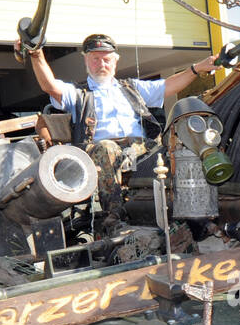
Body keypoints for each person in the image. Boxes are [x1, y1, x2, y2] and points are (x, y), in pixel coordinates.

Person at [22, 33, 216, 212]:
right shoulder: (78, 93)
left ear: (115, 61)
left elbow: (168, 85)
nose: (101, 64)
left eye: (106, 59)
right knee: (106, 148)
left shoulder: (131, 87)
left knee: (179, 148)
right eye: (95, 59)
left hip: (140, 148)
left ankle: (193, 209)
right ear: (86, 61)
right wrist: (36, 55)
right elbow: (51, 86)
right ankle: (113, 217)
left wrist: (197, 68)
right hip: (99, 150)